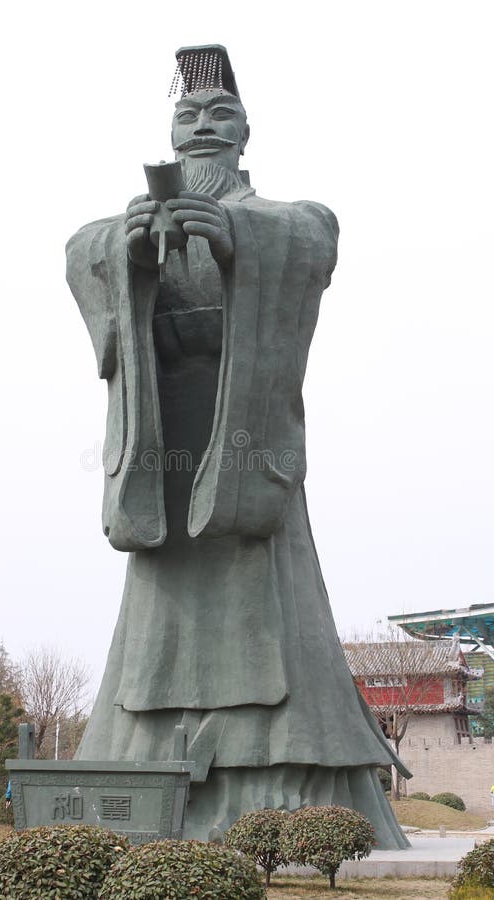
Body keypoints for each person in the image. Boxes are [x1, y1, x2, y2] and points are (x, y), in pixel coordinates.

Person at [66, 44, 409, 848]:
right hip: (164, 442)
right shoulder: (131, 222)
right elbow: (82, 250)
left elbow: (309, 241)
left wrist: (236, 242)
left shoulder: (287, 219)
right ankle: (141, 765)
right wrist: (131, 253)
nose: (205, 125)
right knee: (162, 602)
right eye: (189, 115)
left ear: (247, 132)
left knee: (269, 598)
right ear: (172, 137)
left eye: (221, 115)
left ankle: (291, 786)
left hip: (244, 437)